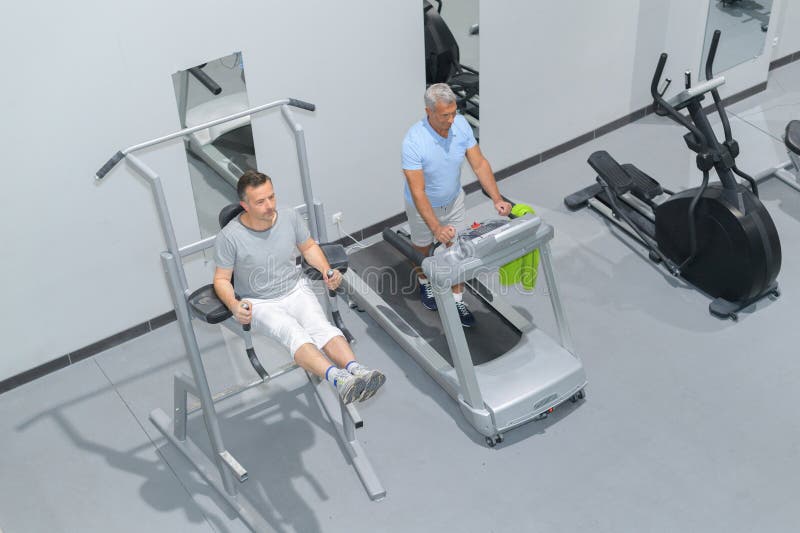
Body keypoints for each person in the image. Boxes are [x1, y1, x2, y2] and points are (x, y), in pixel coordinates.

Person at [213, 170, 386, 404]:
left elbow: (309, 248)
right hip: (260, 302)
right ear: (244, 205)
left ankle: (357, 370)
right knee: (294, 333)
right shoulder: (229, 237)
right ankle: (339, 380)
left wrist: (327, 270)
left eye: (271, 197)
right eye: (260, 202)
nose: (269, 205)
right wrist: (234, 305)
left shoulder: (288, 216)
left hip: (295, 288)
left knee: (321, 327)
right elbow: (221, 280)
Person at [401, 83, 512, 326]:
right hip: (423, 206)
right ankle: (425, 284)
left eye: (453, 113)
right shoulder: (413, 141)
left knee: (458, 250)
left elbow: (479, 164)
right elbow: (418, 192)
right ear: (428, 111)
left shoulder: (460, 125)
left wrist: (497, 198)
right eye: (444, 115)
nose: (451, 120)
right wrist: (435, 228)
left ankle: (457, 300)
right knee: (422, 247)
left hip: (454, 201)